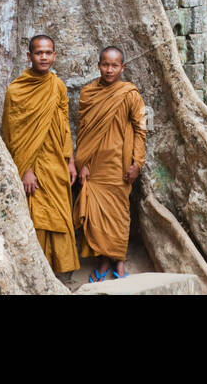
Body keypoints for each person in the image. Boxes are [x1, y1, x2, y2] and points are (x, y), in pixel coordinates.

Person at [1, 34, 78, 275]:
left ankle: (61, 270)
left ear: (54, 55)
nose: (43, 57)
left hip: (56, 162)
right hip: (31, 168)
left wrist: (71, 161)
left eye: (48, 52)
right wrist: (25, 170)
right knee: (37, 217)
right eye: (38, 53)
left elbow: (64, 125)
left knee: (59, 213)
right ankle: (37, 271)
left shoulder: (57, 86)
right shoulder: (16, 91)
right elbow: (13, 134)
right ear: (29, 56)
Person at [74, 46, 147, 281]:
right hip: (94, 167)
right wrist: (82, 163)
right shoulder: (88, 93)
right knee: (96, 215)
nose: (109, 69)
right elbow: (84, 132)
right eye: (105, 64)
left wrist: (137, 162)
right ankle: (104, 260)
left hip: (120, 165)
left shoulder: (129, 94)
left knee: (119, 214)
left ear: (122, 68)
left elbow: (140, 129)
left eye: (114, 65)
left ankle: (120, 260)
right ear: (98, 65)